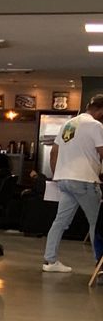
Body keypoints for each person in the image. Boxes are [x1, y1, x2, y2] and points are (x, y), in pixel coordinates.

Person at [42, 94, 103, 273]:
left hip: (64, 180)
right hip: (85, 180)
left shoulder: (69, 124)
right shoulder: (96, 125)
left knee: (60, 221)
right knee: (97, 223)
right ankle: (100, 266)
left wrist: (57, 175)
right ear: (101, 111)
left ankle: (50, 261)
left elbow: (53, 152)